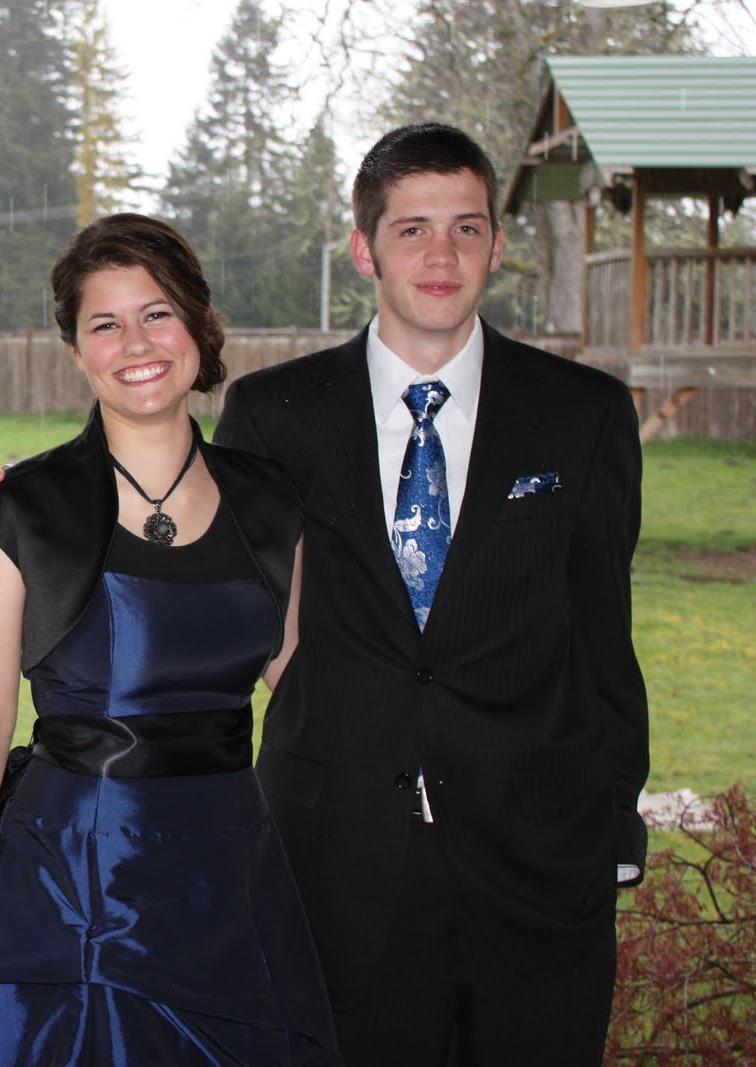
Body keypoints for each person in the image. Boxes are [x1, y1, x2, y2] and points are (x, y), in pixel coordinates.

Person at [214, 124, 648, 1064]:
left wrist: (615, 827)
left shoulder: (584, 414)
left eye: (466, 227)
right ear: (365, 247)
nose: (442, 255)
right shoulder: (271, 414)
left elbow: (604, 640)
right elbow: (178, 546)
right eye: (412, 229)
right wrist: (36, 494)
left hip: (536, 868)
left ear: (496, 242)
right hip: (335, 861)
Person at [0, 213, 339, 1065]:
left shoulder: (271, 506)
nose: (136, 342)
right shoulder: (19, 516)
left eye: (156, 312)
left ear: (198, 321)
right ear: (77, 349)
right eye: (105, 323)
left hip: (232, 880)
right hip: (76, 889)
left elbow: (303, 686)